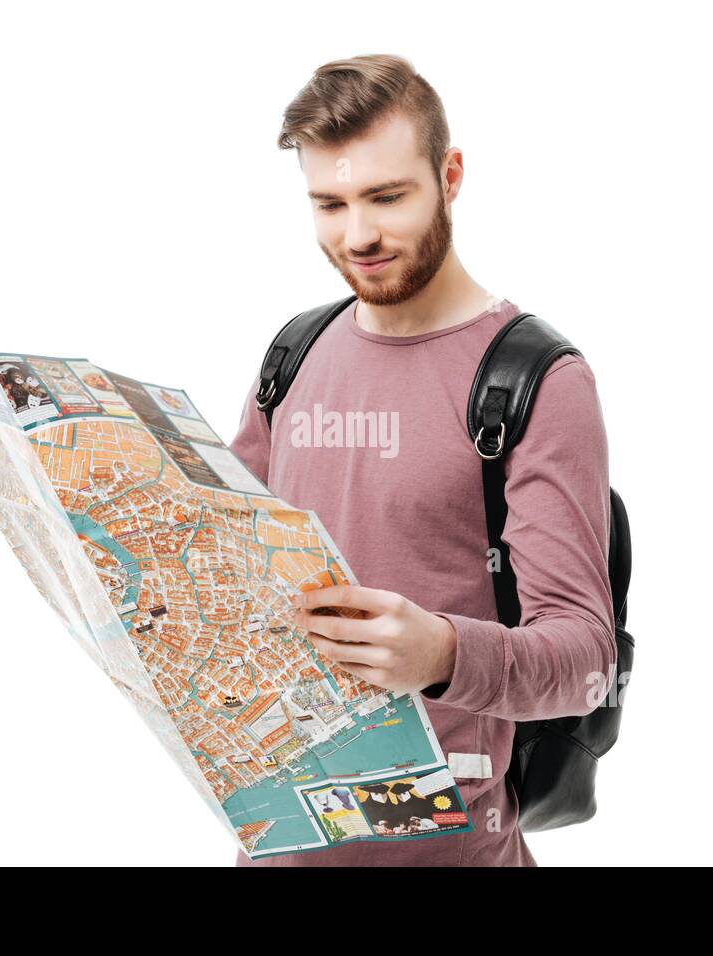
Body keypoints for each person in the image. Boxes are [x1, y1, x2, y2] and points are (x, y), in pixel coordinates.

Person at [230, 54, 617, 867]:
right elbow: (227, 567)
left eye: (386, 197)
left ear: (450, 176)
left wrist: (441, 654)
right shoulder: (293, 354)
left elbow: (585, 661)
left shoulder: (535, 381)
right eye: (328, 204)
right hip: (276, 841)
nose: (357, 235)